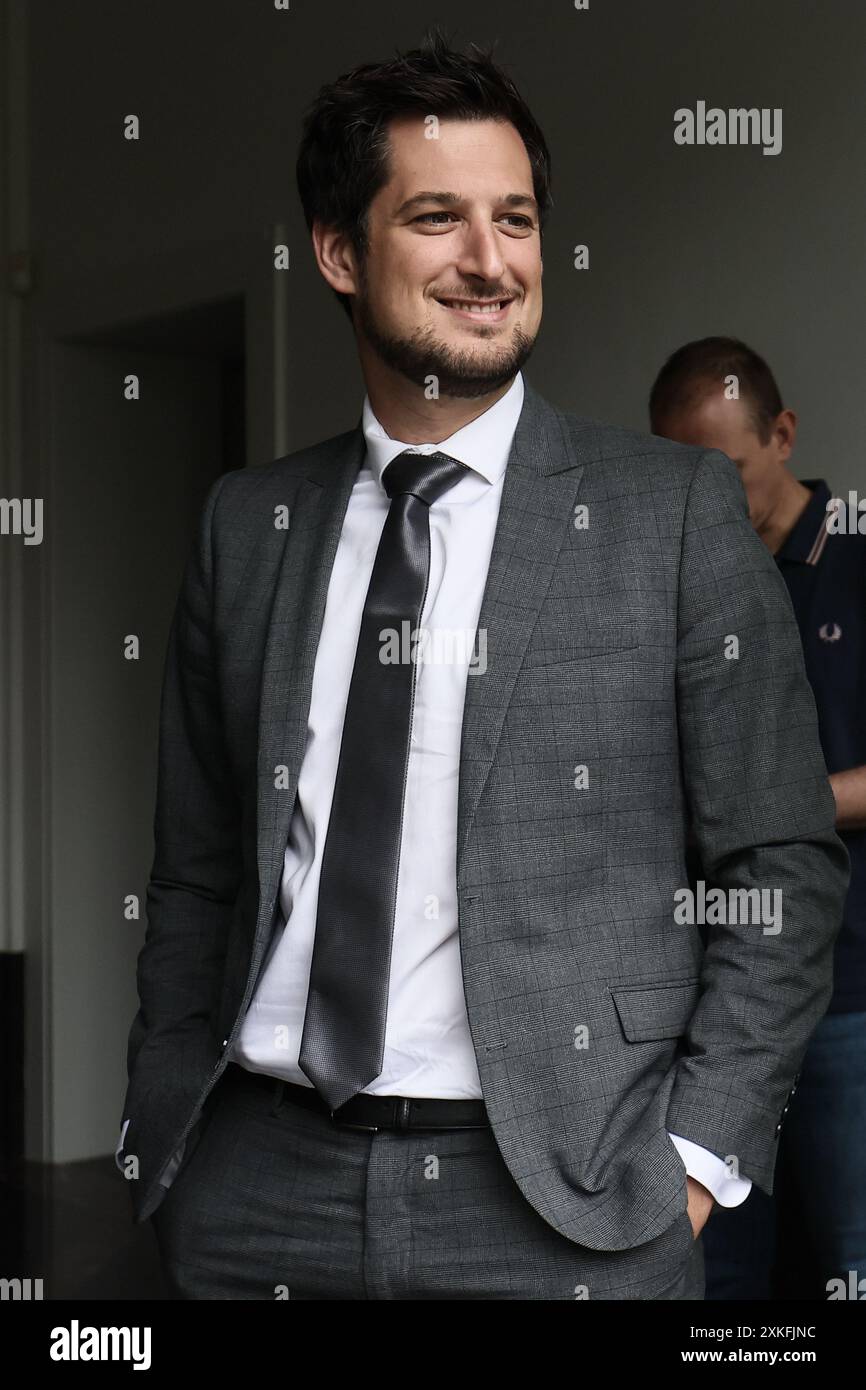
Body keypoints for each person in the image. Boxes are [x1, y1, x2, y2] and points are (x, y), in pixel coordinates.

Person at [117, 34, 848, 1301]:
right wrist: (168, 1132)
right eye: (438, 217)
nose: (490, 260)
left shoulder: (666, 514)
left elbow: (776, 860)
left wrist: (693, 1157)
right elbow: (191, 872)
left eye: (514, 218)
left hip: (568, 1204)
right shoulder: (250, 524)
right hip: (257, 1196)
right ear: (339, 252)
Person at [650, 336, 866, 1300]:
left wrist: (770, 814)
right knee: (717, 1279)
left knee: (845, 1259)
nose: (700, 500)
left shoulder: (859, 554)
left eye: (724, 471)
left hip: (850, 992)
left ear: (781, 435)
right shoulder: (676, 582)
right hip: (705, 1002)